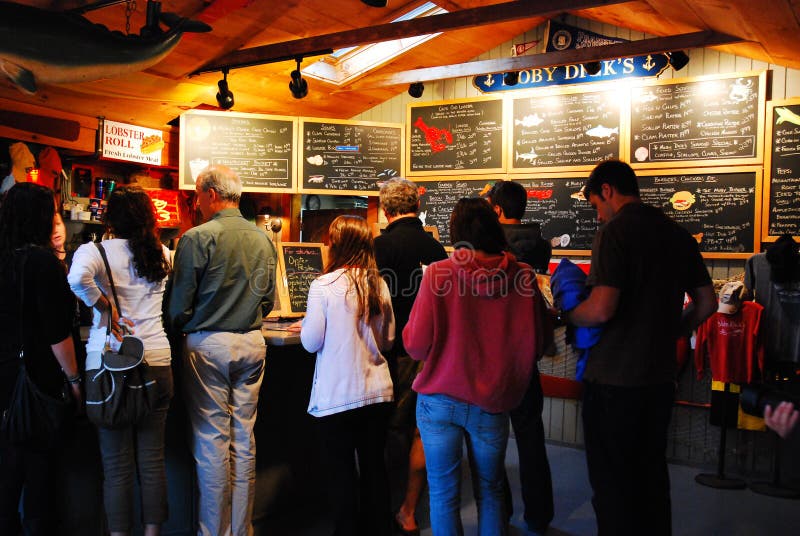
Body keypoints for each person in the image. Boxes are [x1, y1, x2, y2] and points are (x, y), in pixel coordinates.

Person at [556, 159, 716, 536]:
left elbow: (601, 309)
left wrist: (569, 314)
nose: (597, 215)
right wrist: (671, 332)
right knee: (651, 481)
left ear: (608, 191)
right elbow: (706, 303)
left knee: (613, 488)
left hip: (613, 382)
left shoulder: (615, 233)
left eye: (596, 205)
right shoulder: (676, 233)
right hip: (659, 381)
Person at [403, 197, 551, 536]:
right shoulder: (524, 277)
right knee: (492, 489)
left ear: (456, 233)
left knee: (443, 493)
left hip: (439, 399)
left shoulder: (438, 274)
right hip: (494, 400)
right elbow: (540, 343)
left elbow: (414, 344)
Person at [167, 165, 277, 536]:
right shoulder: (264, 239)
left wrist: (184, 323)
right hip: (252, 343)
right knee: (244, 438)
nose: (196, 204)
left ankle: (214, 531)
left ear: (212, 194)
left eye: (197, 195)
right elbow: (268, 301)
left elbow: (178, 306)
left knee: (212, 440)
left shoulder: (197, 238)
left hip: (209, 345)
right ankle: (242, 528)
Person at [68, 186, 173, 536]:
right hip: (158, 360)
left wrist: (102, 305)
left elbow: (75, 278)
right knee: (152, 459)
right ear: (148, 218)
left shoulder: (95, 251)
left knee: (117, 467)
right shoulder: (162, 254)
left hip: (109, 365)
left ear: (109, 218)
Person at [291, 215, 395, 536]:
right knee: (375, 468)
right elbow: (389, 339)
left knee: (342, 474)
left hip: (338, 397)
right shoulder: (379, 283)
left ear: (339, 245)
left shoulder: (323, 286)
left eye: (330, 240)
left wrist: (306, 324)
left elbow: (310, 343)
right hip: (377, 392)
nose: (326, 245)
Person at [0, 183, 82, 535]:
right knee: (39, 479)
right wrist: (76, 382)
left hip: (4, 380)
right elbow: (57, 335)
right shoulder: (41, 262)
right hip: (35, 381)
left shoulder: (5, 257)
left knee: (6, 477)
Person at [373, 177, 447, 535]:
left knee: (395, 429)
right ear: (416, 207)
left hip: (396, 351)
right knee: (424, 428)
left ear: (386, 211)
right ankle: (413, 505)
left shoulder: (379, 248)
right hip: (435, 352)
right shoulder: (436, 249)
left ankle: (395, 505)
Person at [486, 180, 554, 535]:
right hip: (527, 353)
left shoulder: (488, 246)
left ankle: (502, 511)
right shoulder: (540, 247)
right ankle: (539, 516)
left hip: (494, 356)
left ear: (496, 209)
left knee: (491, 440)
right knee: (531, 438)